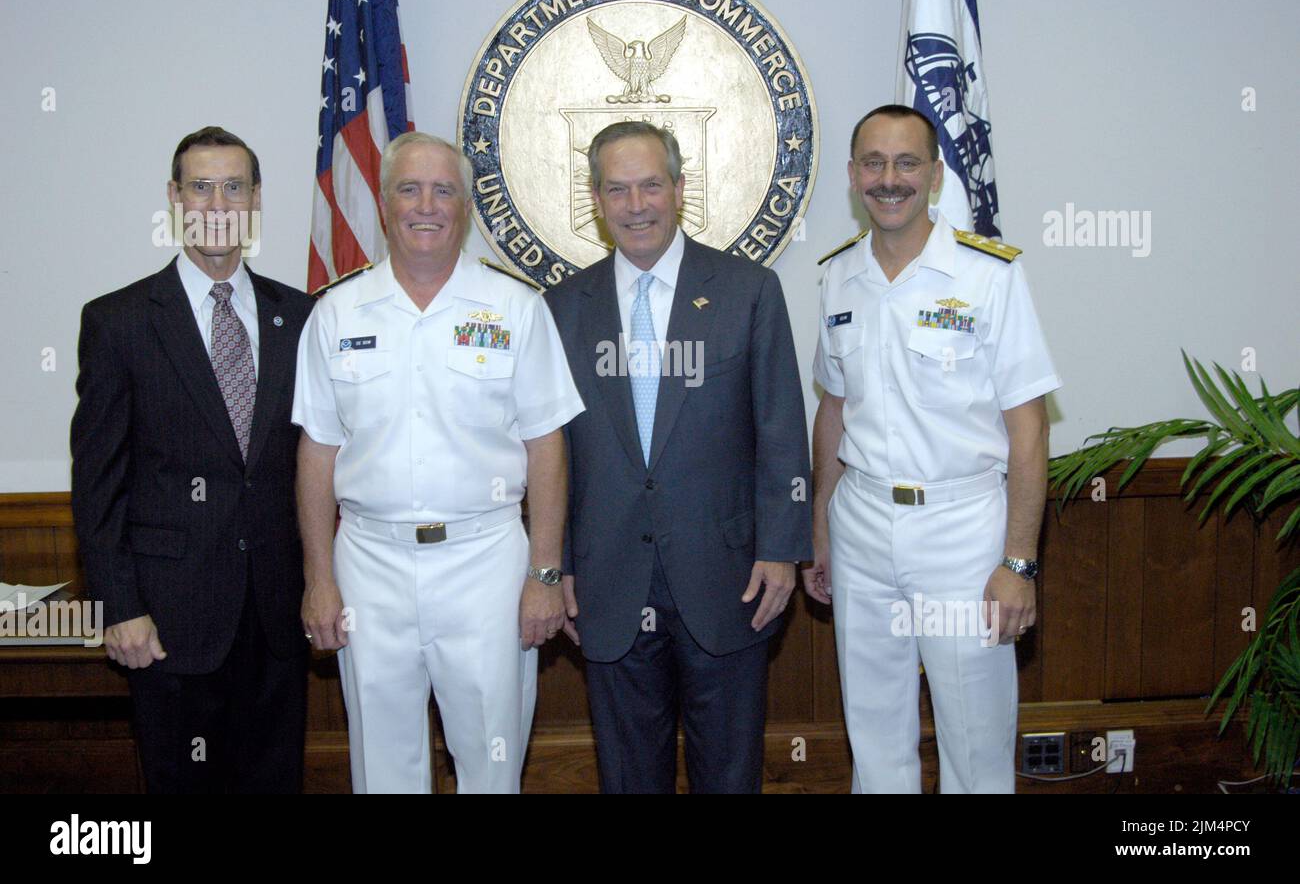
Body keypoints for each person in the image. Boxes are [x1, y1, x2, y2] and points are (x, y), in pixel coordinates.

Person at [293, 131, 584, 794]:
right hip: (369, 563)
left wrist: (545, 573)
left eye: (444, 190)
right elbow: (317, 453)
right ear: (386, 205)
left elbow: (547, 446)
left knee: (490, 754)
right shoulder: (337, 314)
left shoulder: (517, 309)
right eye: (409, 188)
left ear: (466, 206)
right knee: (383, 763)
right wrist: (318, 580)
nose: (426, 204)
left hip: (485, 562)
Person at [545, 121, 811, 794]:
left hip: (728, 579)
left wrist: (782, 550)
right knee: (629, 775)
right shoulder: (558, 308)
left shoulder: (747, 291)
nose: (637, 205)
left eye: (651, 185)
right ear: (597, 200)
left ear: (680, 189)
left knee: (729, 772)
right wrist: (558, 566)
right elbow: (551, 451)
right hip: (606, 579)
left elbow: (780, 428)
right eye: (618, 189)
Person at [806, 104, 1061, 793]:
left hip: (963, 531)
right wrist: (821, 526)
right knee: (874, 730)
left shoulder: (989, 276)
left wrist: (1019, 561)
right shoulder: (837, 277)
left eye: (907, 162)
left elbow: (1030, 428)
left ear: (936, 175)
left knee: (975, 740)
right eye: (874, 163)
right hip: (860, 528)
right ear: (854, 175)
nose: (890, 179)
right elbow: (834, 409)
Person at [70, 126, 314, 793]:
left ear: (256, 199)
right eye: (200, 187)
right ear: (174, 198)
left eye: (233, 187)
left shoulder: (299, 318)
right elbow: (97, 487)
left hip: (276, 620)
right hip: (167, 624)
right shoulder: (119, 322)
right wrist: (118, 607)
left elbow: (317, 467)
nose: (217, 203)